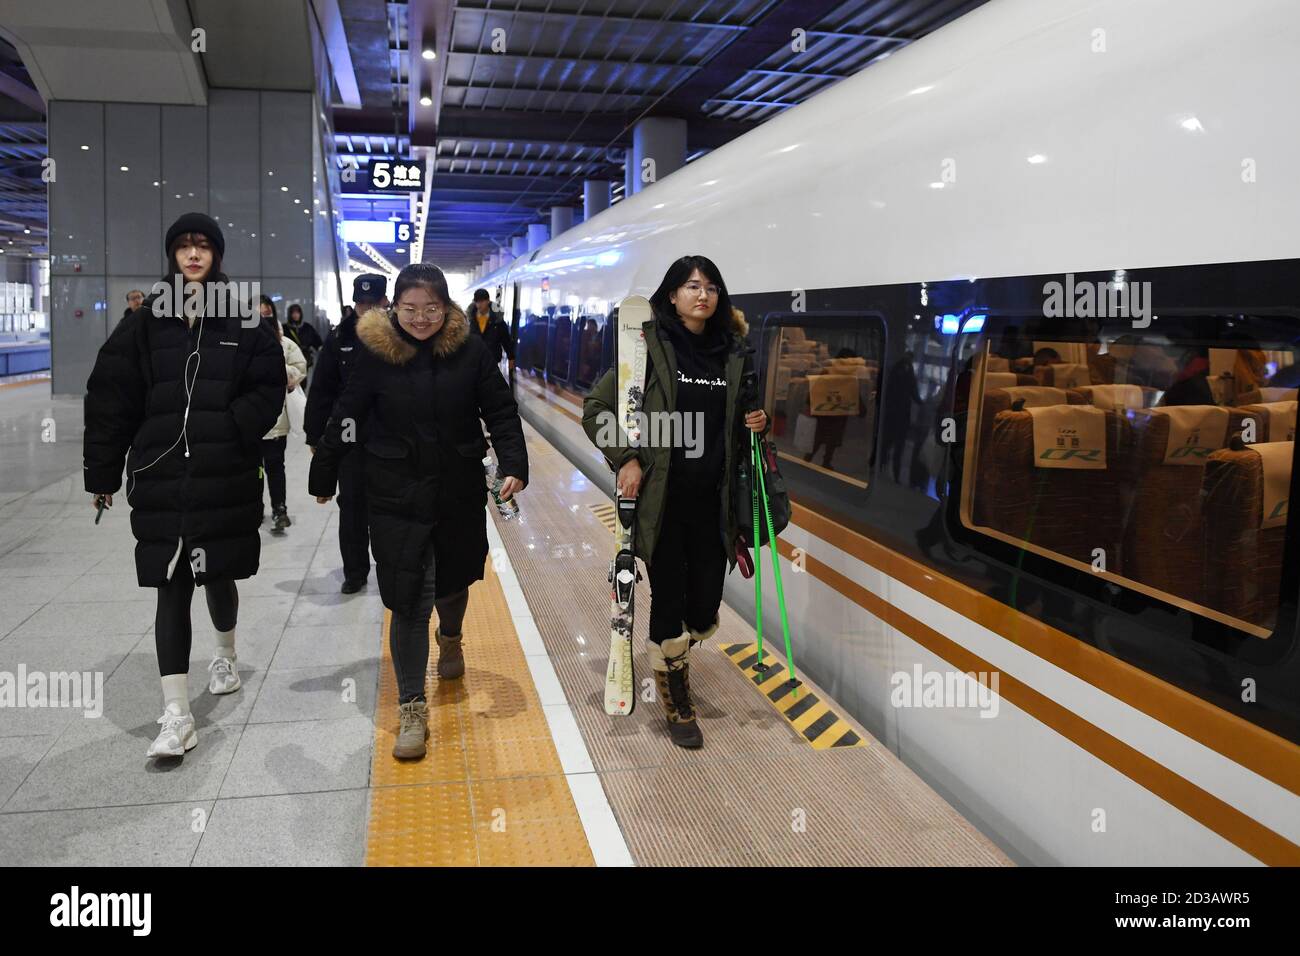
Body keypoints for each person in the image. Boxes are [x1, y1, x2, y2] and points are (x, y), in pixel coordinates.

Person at [83, 212, 286, 759]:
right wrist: (103, 473)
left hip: (223, 474)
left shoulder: (242, 318)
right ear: (172, 255)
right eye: (183, 247)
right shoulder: (147, 320)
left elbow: (269, 384)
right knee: (169, 583)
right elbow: (111, 395)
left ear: (217, 255)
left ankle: (225, 651)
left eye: (202, 247)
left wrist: (231, 425)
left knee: (216, 573)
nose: (193, 256)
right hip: (163, 475)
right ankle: (176, 713)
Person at [308, 263, 528, 760]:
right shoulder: (375, 352)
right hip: (393, 492)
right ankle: (412, 705)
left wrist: (513, 461)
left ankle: (450, 636)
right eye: (410, 309)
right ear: (394, 308)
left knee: (451, 585)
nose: (421, 318)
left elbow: (498, 408)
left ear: (447, 307)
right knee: (408, 598)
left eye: (432, 309)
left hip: (455, 490)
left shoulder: (469, 350)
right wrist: (324, 472)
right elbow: (348, 414)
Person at [582, 255, 768, 749]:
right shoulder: (646, 349)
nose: (701, 295)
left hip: (713, 501)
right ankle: (676, 695)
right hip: (662, 502)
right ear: (671, 295)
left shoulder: (733, 352)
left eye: (710, 286)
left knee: (705, 608)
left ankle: (677, 651)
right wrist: (626, 458)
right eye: (691, 286)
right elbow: (596, 408)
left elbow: (740, 420)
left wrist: (758, 422)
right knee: (669, 595)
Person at [305, 274, 388, 592]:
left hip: (388, 436)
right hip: (350, 440)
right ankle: (355, 572)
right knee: (351, 506)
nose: (366, 309)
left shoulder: (397, 335)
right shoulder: (339, 337)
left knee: (387, 506)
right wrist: (315, 435)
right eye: (361, 303)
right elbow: (322, 388)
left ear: (385, 302)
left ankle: (389, 566)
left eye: (373, 303)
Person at [262, 322, 308, 534]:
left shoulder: (286, 345)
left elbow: (299, 370)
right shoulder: (241, 341)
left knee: (274, 466)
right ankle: (254, 508)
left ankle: (279, 509)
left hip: (276, 418)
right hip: (246, 419)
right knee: (253, 468)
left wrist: (282, 368)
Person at [468, 288, 515, 375]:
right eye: (477, 302)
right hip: (474, 360)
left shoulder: (497, 320)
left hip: (492, 360)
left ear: (488, 301)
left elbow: (505, 339)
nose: (479, 305)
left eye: (482, 301)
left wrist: (511, 357)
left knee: (490, 386)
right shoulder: (471, 320)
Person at [283, 303, 323, 382]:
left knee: (303, 381)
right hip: (289, 360)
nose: (295, 315)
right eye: (293, 313)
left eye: (297, 313)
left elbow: (317, 342)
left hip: (304, 360)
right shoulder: (285, 328)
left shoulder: (307, 327)